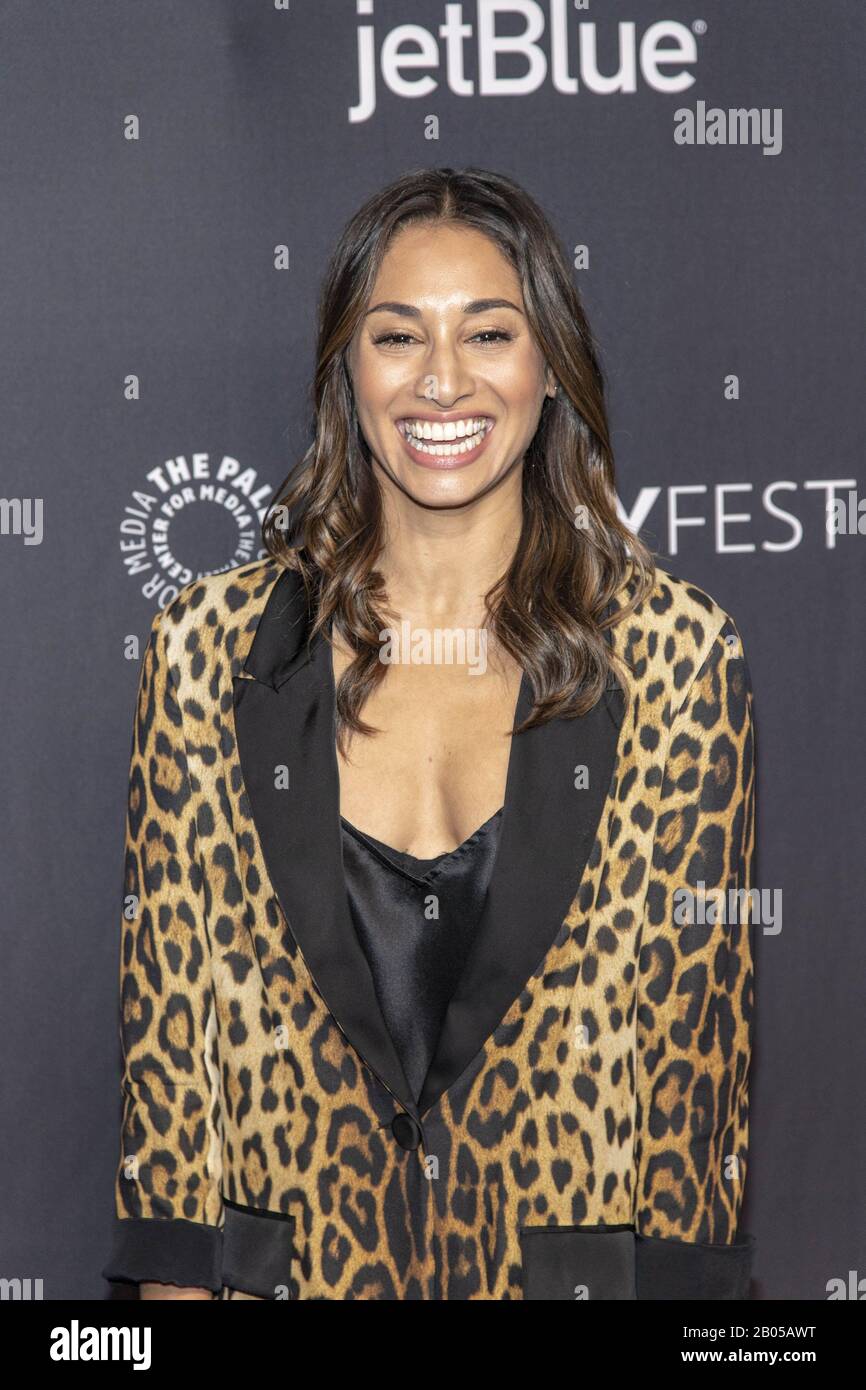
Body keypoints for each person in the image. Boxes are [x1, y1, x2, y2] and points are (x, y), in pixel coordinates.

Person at [102, 167, 756, 1300]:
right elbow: (172, 1061)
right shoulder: (208, 648)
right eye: (396, 335)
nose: (441, 378)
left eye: (488, 332)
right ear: (344, 374)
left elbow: (693, 1083)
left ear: (548, 365)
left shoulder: (673, 656)